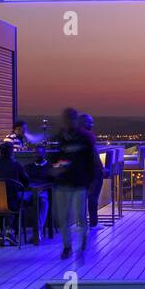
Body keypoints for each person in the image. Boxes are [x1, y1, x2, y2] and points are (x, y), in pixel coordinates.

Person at [51, 107, 98, 258]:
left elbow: (90, 162)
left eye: (69, 119)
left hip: (79, 183)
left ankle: (81, 243)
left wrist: (91, 182)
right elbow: (57, 159)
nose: (67, 122)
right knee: (63, 218)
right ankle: (67, 247)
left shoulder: (85, 138)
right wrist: (57, 168)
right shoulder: (60, 137)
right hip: (63, 183)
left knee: (80, 216)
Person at [0, 142, 31, 244]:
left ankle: (0, 233)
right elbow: (26, 181)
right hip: (11, 202)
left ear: (0, 152)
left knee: (0, 204)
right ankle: (9, 231)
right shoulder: (16, 164)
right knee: (21, 200)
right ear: (11, 153)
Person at [80, 112, 103, 230]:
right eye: (90, 122)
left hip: (86, 172)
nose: (92, 124)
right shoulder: (87, 136)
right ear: (83, 123)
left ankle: (83, 223)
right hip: (94, 171)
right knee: (93, 198)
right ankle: (93, 223)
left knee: (85, 198)